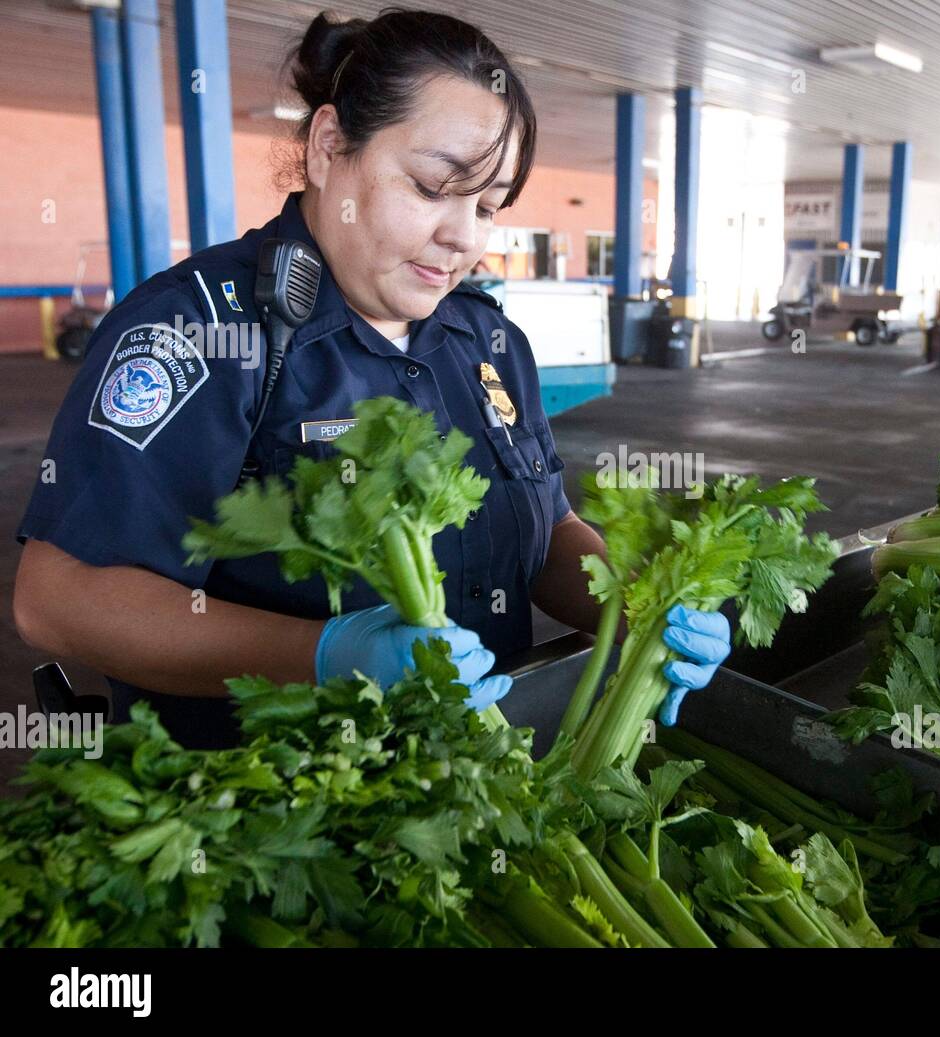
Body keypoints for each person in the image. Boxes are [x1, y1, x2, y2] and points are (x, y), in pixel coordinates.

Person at [12, 9, 729, 749]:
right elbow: (59, 600)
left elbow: (547, 532)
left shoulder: (486, 338)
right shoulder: (199, 332)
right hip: (265, 815)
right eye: (430, 187)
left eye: (487, 207)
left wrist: (643, 603)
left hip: (475, 786)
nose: (464, 237)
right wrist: (321, 657)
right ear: (328, 148)